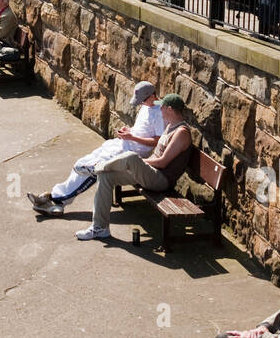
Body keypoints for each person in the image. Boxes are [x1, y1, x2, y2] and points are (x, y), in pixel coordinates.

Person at [27, 82, 165, 215]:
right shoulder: (149, 105)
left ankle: (57, 200)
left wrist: (132, 137)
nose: (141, 103)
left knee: (92, 170)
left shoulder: (160, 112)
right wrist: (128, 131)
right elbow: (143, 128)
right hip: (121, 144)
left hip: (131, 153)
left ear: (152, 95)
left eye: (143, 100)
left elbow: (156, 141)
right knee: (81, 164)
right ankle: (54, 196)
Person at [75, 94, 192, 242]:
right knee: (105, 177)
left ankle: (97, 168)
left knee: (131, 157)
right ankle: (100, 228)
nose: (159, 109)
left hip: (161, 179)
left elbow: (162, 162)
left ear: (169, 109)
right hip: (151, 173)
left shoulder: (181, 133)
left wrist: (140, 162)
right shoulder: (170, 125)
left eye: (162, 106)